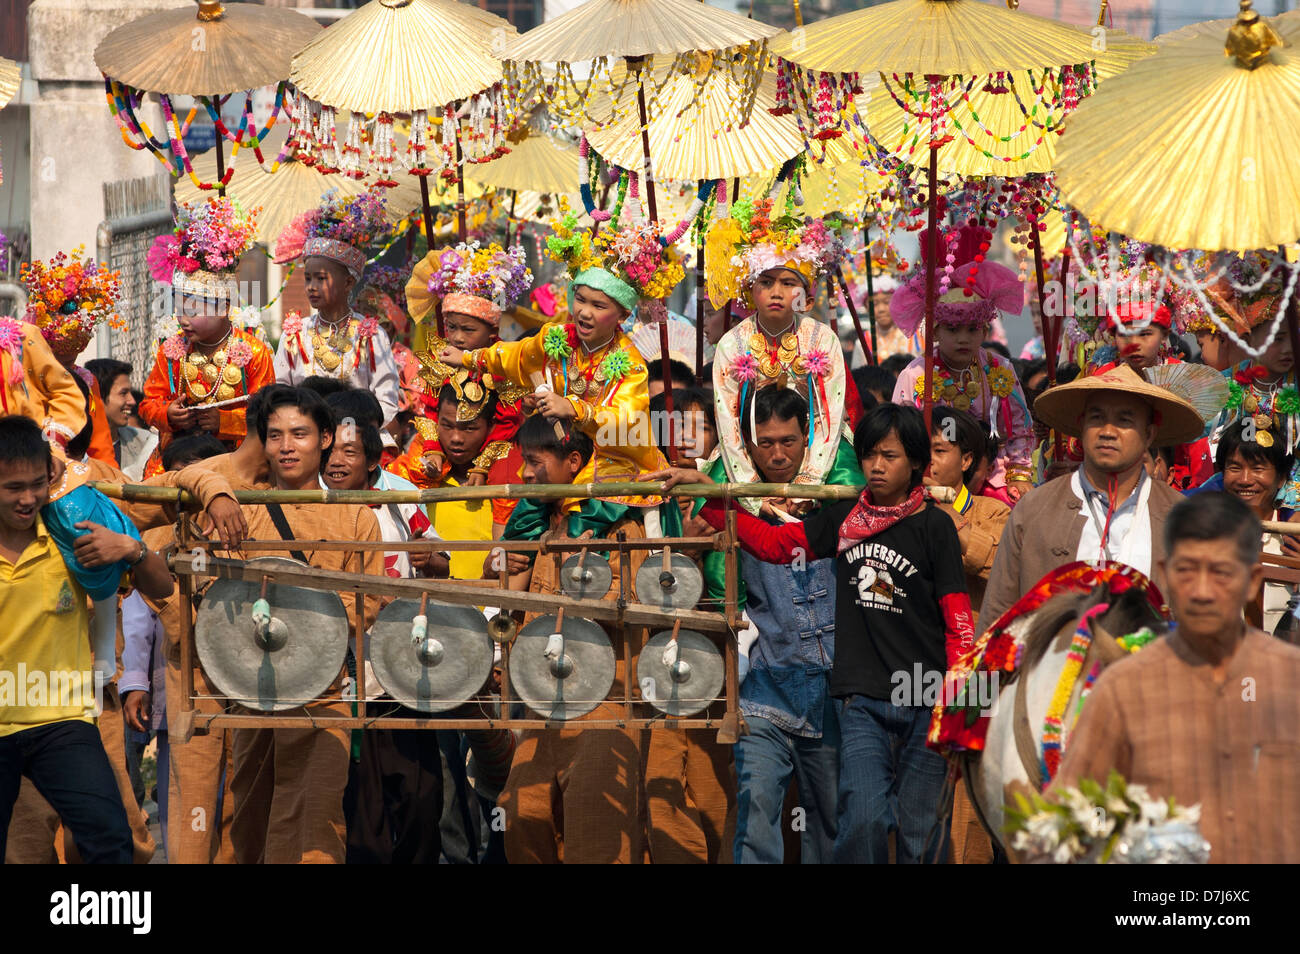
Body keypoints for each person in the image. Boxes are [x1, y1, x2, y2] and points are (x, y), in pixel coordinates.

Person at [666, 403, 974, 863]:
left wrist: (960, 701)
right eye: (869, 455)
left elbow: (958, 620)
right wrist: (714, 497)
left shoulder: (935, 526)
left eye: (889, 456)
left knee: (921, 833)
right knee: (862, 821)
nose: (876, 466)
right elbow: (773, 545)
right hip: (862, 702)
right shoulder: (844, 518)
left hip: (927, 700)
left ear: (915, 463)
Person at [1054, 492, 1300, 863]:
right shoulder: (1123, 687)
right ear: (1165, 575)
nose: (1202, 591)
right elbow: (1073, 805)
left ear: (1252, 582)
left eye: (1221, 572)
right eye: (1187, 571)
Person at [651, 386, 840, 863]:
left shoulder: (842, 501)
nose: (778, 455)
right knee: (756, 817)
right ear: (745, 446)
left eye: (789, 441)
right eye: (765, 442)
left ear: (811, 438)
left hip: (837, 693)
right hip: (765, 689)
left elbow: (781, 544)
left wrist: (712, 491)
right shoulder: (734, 504)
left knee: (832, 823)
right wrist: (705, 488)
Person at [0, 415, 173, 863]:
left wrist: (130, 549)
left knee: (109, 840)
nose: (27, 498)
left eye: (36, 484)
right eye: (12, 487)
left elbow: (162, 588)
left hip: (62, 720)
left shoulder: (67, 531)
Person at [227, 385, 383, 864]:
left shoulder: (356, 514)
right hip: (253, 692)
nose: (287, 446)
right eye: (275, 436)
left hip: (326, 690)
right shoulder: (240, 509)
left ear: (327, 438)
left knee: (317, 819)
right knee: (249, 817)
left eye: (300, 433)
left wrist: (309, 615)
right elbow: (222, 604)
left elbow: (371, 602)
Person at [495, 412, 660, 864]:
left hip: (606, 698)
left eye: (534, 461)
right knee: (519, 813)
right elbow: (512, 610)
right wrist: (516, 568)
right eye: (522, 462)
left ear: (573, 461)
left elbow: (629, 609)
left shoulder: (621, 526)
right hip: (543, 700)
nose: (526, 474)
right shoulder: (537, 524)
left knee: (595, 823)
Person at [439, 208, 679, 514]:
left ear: (621, 314)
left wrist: (575, 408)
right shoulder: (556, 337)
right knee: (521, 520)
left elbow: (626, 422)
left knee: (583, 511)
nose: (584, 312)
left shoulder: (630, 363)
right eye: (580, 299)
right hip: (556, 454)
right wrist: (470, 357)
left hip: (614, 460)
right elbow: (516, 355)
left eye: (598, 305)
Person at [982, 364, 1206, 627]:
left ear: (1149, 434)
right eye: (1097, 418)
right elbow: (997, 614)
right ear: (1081, 426)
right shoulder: (1035, 509)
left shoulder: (1182, 518)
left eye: (1124, 420)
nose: (1107, 431)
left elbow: (1210, 626)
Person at [704, 195, 850, 514]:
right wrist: (754, 496)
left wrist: (806, 489)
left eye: (788, 283)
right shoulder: (732, 344)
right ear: (749, 289)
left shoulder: (821, 338)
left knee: (849, 489)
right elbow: (728, 422)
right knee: (716, 504)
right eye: (766, 282)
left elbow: (829, 416)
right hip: (748, 453)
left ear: (804, 294)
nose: (777, 292)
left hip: (820, 451)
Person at [890, 226, 1033, 503]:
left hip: (995, 475)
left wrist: (1018, 475)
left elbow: (1019, 428)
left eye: (972, 329)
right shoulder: (915, 374)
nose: (963, 338)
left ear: (984, 331)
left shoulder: (999, 366)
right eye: (953, 330)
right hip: (931, 478)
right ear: (935, 332)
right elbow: (901, 434)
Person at [140, 198, 276, 475]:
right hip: (176, 459)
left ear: (225, 306)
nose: (182, 318)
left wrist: (224, 422)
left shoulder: (255, 352)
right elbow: (148, 403)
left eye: (193, 309)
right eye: (178, 308)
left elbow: (269, 416)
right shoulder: (171, 349)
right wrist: (168, 415)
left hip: (237, 461)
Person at [400, 241, 532, 486]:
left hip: (497, 450)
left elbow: (508, 420)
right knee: (406, 472)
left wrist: (483, 464)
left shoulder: (501, 362)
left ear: (492, 330)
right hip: (442, 446)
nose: (458, 337)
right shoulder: (441, 356)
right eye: (452, 327)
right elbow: (429, 410)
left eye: (468, 329)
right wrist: (432, 449)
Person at [272, 190, 401, 427]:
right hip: (305, 435)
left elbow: (386, 400)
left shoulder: (371, 335)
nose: (312, 287)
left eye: (321, 279)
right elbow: (281, 391)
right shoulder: (295, 334)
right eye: (308, 278)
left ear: (349, 283)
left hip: (355, 436)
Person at [1214, 421, 1296, 634]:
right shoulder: (1204, 535)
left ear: (1281, 478)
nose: (1245, 480)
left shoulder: (1293, 539)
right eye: (1234, 467)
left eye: (1258, 468)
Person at [86, 358, 157, 480]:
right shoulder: (76, 447)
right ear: (98, 397)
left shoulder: (145, 442)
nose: (132, 401)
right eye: (123, 393)